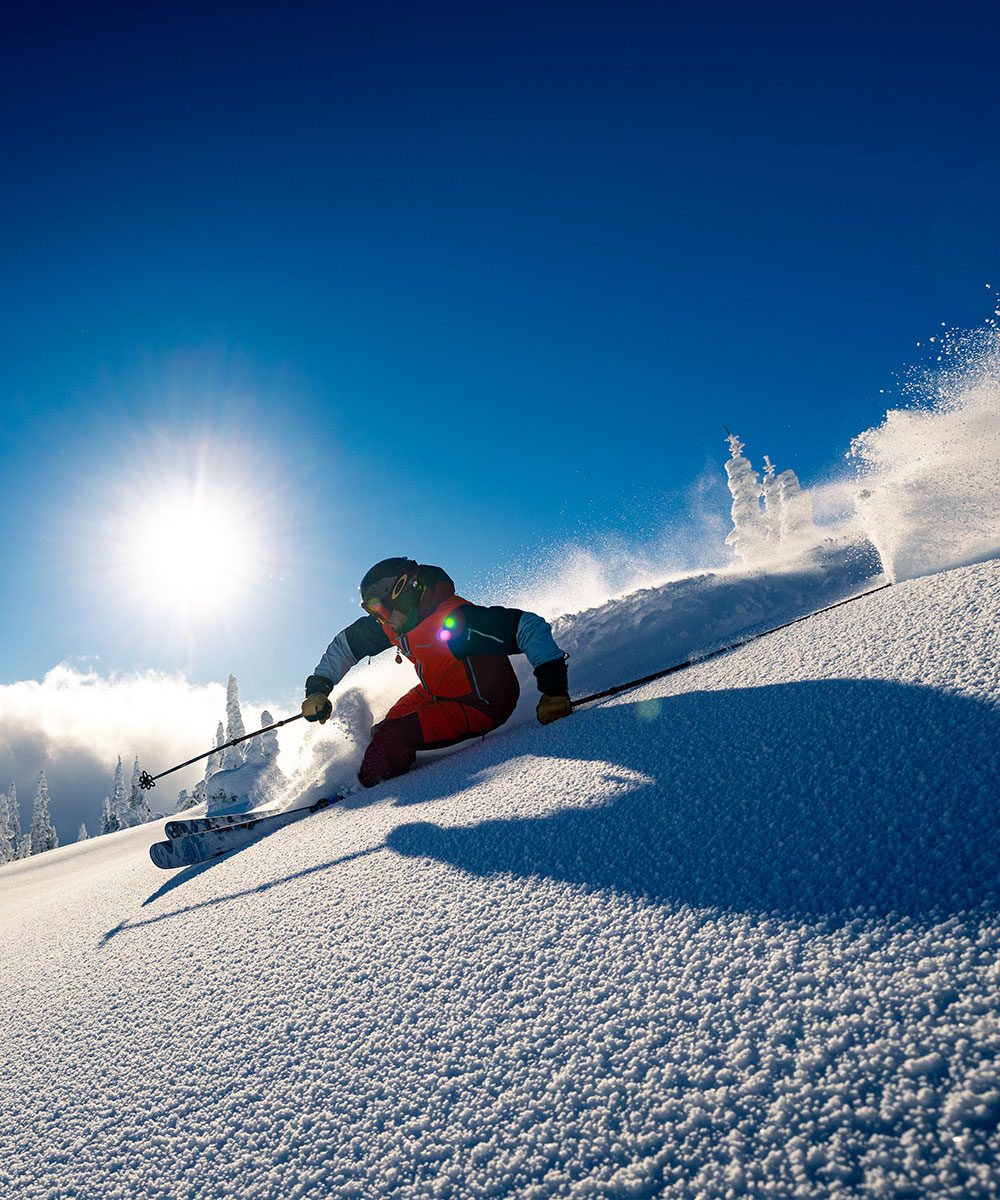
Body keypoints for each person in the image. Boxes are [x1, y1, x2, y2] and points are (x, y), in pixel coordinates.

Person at [302, 557, 572, 787]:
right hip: (436, 692)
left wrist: (554, 691)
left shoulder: (458, 622)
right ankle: (381, 773)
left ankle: (360, 796)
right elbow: (346, 645)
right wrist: (318, 689)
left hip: (481, 705)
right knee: (379, 732)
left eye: (382, 609)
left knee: (392, 738)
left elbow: (528, 627)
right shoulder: (396, 622)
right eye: (375, 613)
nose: (382, 620)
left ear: (406, 592)